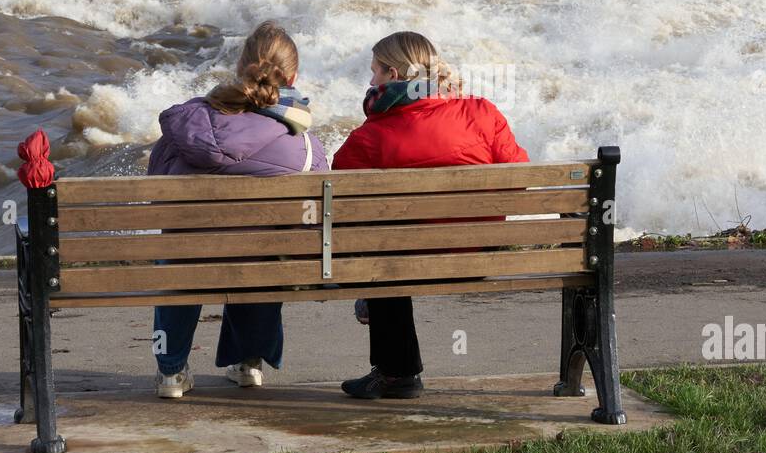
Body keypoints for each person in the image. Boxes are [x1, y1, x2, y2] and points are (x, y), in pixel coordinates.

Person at [333, 31, 529, 399]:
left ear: (392, 75)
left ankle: (397, 374)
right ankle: (394, 365)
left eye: (374, 72)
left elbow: (340, 199)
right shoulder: (480, 111)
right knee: (389, 247)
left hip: (404, 262)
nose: (370, 81)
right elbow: (519, 178)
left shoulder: (370, 136)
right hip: (477, 254)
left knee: (383, 252)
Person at [147, 20, 328, 398]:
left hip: (188, 254)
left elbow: (157, 185)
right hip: (258, 261)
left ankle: (171, 373)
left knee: (181, 257)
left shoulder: (188, 122)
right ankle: (248, 364)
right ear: (293, 76)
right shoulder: (303, 142)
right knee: (267, 255)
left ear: (240, 67)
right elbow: (315, 209)